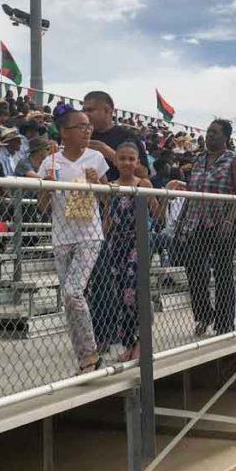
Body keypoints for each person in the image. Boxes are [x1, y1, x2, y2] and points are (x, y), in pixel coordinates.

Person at [37, 107, 107, 373]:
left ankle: (90, 354)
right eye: (81, 126)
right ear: (64, 132)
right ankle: (84, 358)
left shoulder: (96, 158)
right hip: (61, 236)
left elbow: (108, 196)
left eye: (89, 126)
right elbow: (43, 207)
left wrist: (98, 185)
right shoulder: (51, 162)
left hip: (89, 234)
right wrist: (46, 184)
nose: (87, 131)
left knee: (73, 291)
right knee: (69, 300)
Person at [176, 119, 236, 335]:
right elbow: (191, 191)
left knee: (223, 270)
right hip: (197, 221)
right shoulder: (198, 159)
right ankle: (204, 314)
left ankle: (224, 323)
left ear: (226, 136)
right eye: (208, 131)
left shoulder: (234, 160)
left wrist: (229, 220)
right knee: (194, 268)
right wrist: (181, 219)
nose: (209, 135)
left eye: (215, 132)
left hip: (223, 222)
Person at [88, 142, 157, 362]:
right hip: (115, 245)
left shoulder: (142, 183)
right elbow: (108, 215)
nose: (127, 163)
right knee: (119, 294)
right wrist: (100, 239)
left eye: (131, 159)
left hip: (137, 243)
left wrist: (164, 194)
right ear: (115, 161)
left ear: (137, 162)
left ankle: (141, 342)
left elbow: (156, 211)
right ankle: (129, 343)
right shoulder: (112, 186)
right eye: (123, 158)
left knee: (132, 292)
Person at [82, 91, 149, 182]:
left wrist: (111, 154)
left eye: (90, 110)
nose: (85, 114)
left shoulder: (127, 136)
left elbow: (143, 173)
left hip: (118, 193)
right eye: (84, 110)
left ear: (107, 110)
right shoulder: (80, 135)